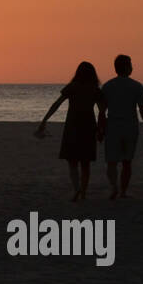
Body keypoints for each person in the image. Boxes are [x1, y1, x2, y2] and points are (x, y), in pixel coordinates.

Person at [35, 61, 106, 201]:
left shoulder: (72, 87)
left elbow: (56, 104)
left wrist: (44, 120)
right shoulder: (94, 89)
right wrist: (101, 129)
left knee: (72, 162)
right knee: (85, 163)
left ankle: (77, 189)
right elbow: (102, 111)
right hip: (88, 126)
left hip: (72, 126)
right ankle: (84, 193)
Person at [99, 54, 143, 199]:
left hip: (113, 127)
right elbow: (142, 109)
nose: (132, 67)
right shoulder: (136, 86)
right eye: (130, 64)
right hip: (130, 126)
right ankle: (123, 191)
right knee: (126, 161)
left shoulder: (108, 86)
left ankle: (113, 187)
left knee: (111, 161)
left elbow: (102, 111)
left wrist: (101, 128)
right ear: (127, 67)